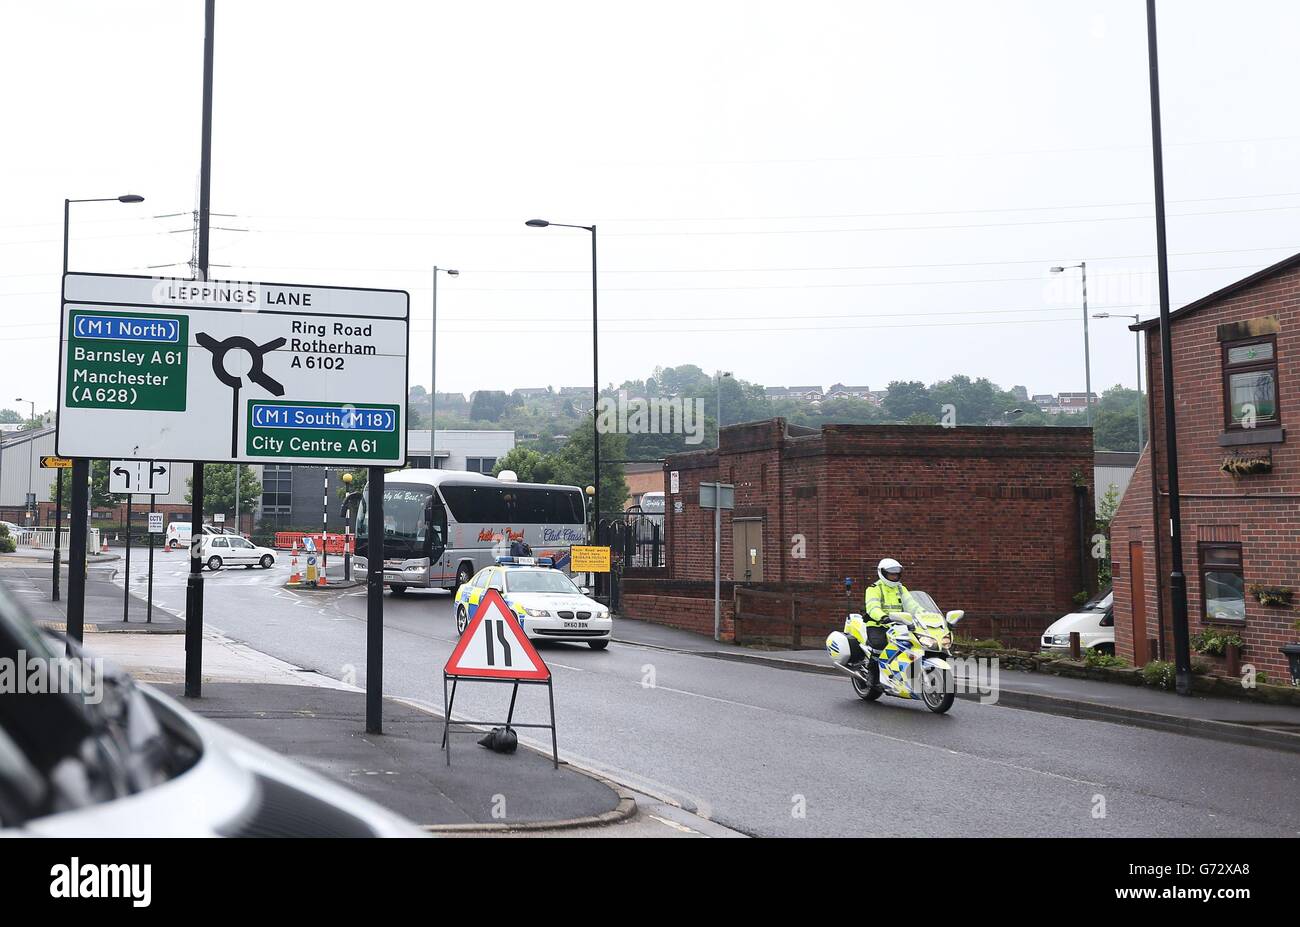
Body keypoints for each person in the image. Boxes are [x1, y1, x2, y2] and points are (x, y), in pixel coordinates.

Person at [861, 558, 924, 680]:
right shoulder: (874, 588)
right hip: (878, 625)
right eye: (891, 574)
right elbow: (872, 607)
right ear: (883, 573)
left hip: (899, 625)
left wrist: (924, 614)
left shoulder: (901, 588)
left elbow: (912, 605)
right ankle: (872, 675)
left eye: (896, 573)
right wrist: (883, 617)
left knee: (912, 644)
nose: (894, 576)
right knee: (879, 646)